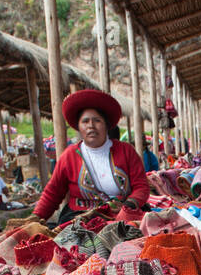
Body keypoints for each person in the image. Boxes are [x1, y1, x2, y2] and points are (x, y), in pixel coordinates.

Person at [31, 89, 151, 224]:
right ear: (79, 127)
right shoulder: (69, 156)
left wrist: (128, 205)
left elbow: (141, 186)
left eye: (97, 120)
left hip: (124, 213)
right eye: (85, 121)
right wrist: (36, 218)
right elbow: (52, 193)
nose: (91, 126)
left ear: (106, 125)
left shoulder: (126, 151)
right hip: (81, 217)